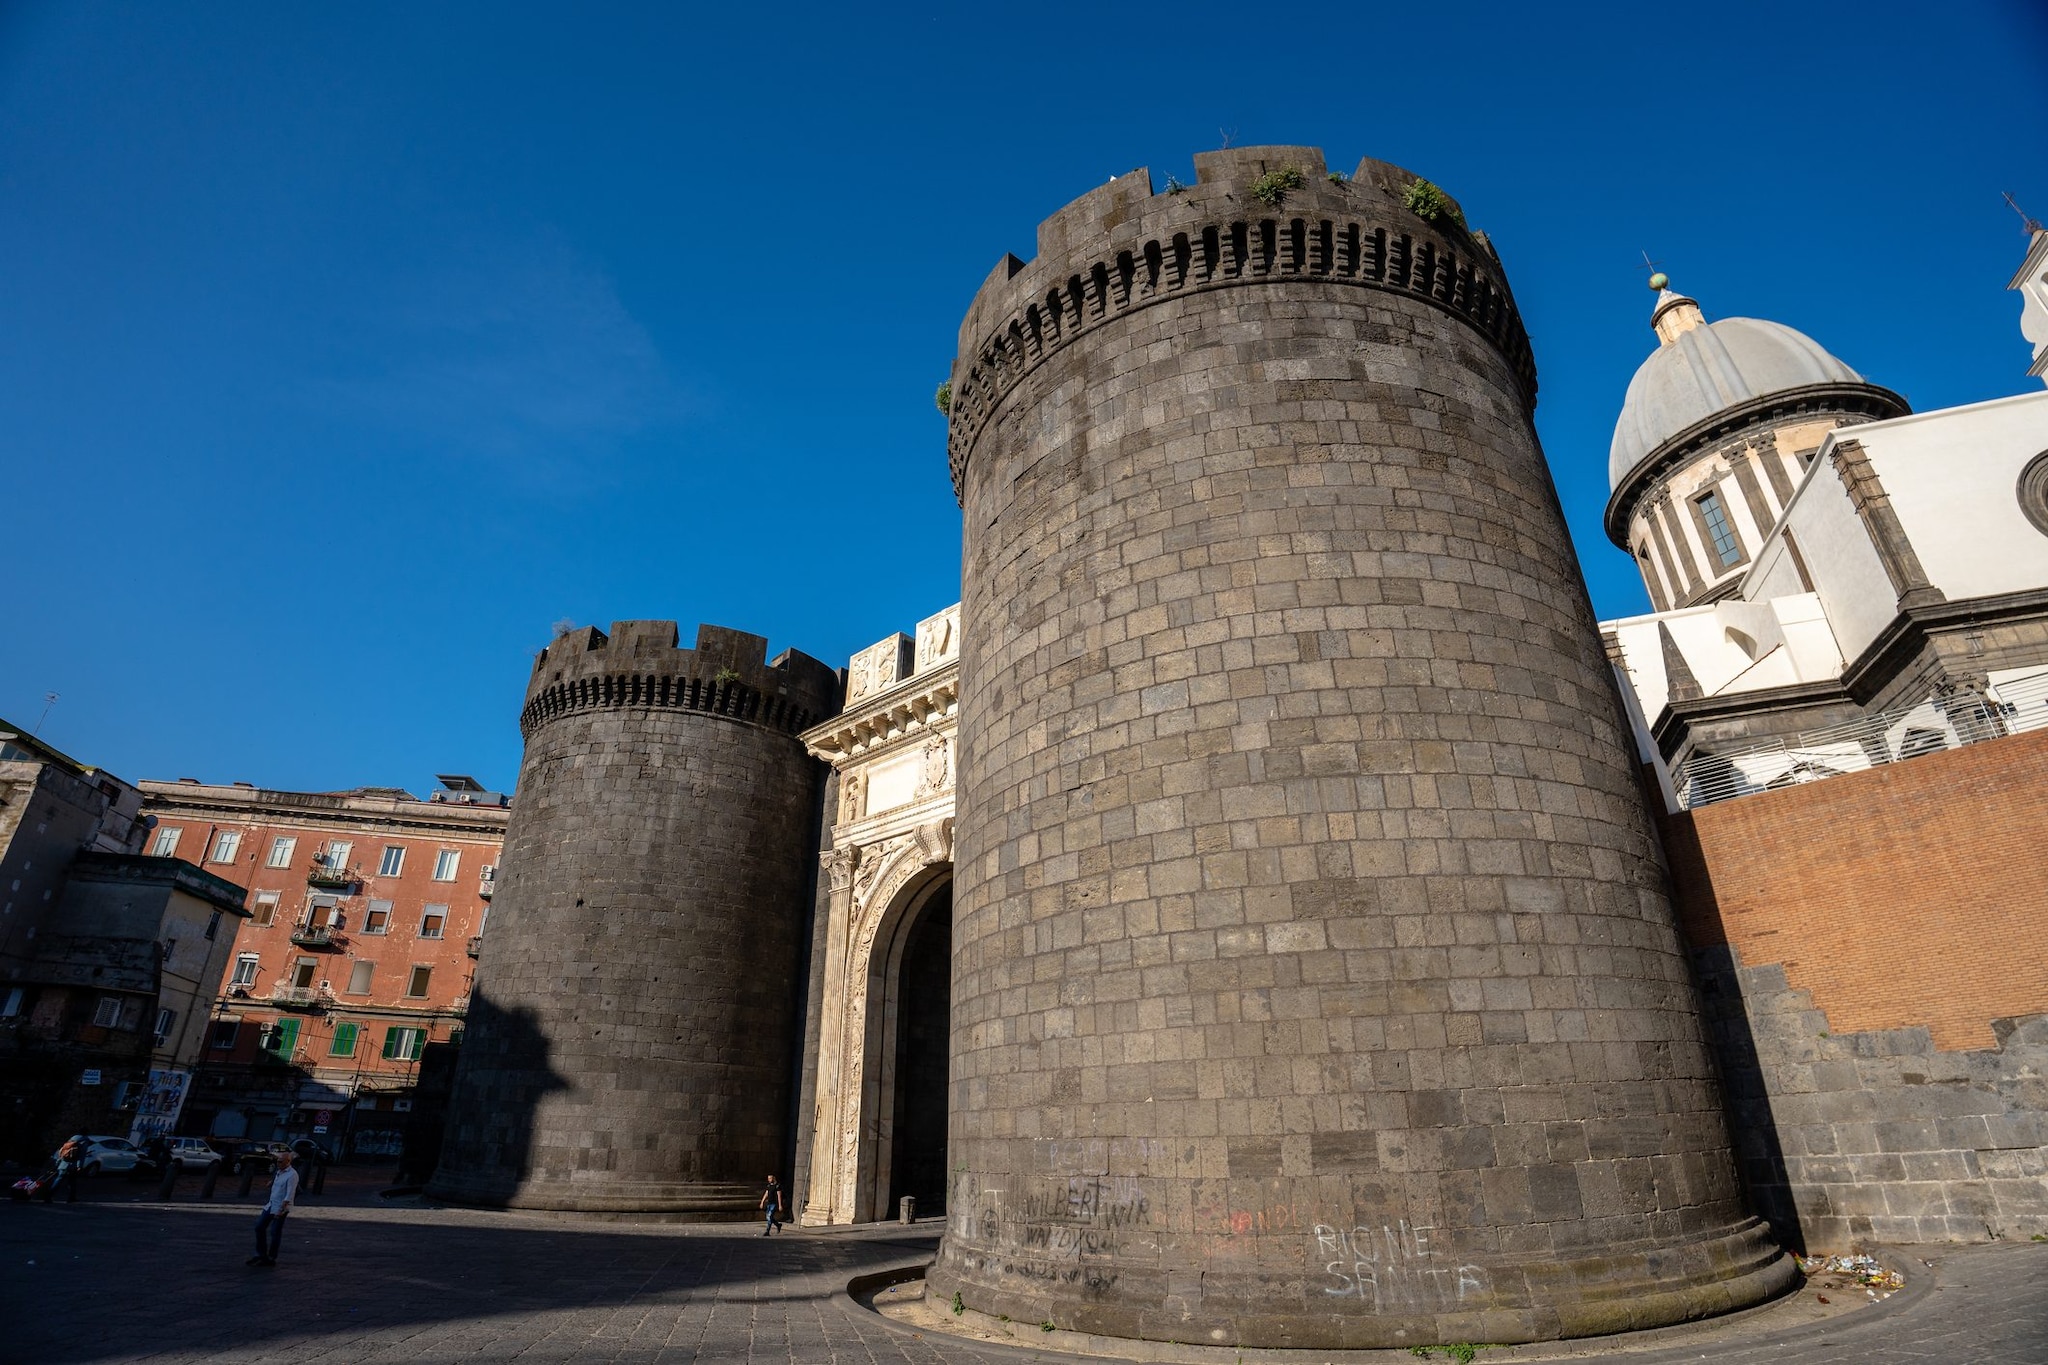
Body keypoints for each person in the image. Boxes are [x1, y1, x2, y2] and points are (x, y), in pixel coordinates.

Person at [247, 1150, 296, 1266]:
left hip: (281, 1207)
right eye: (277, 1161)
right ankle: (260, 1254)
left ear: (288, 1162)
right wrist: (272, 1181)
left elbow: (289, 1194)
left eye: (280, 1162)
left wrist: (281, 1210)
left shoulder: (292, 1175)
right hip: (271, 1204)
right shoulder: (279, 1171)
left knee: (275, 1232)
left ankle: (271, 1257)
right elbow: (276, 1179)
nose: (278, 1164)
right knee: (259, 1227)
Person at [46, 1136, 88, 1204]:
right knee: (71, 1181)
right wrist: (79, 1166)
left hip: (63, 1165)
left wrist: (57, 1163)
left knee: (59, 1180)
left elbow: (62, 1152)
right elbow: (81, 1155)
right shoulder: (84, 1141)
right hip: (72, 1165)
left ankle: (49, 1196)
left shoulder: (72, 1139)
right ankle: (70, 1198)